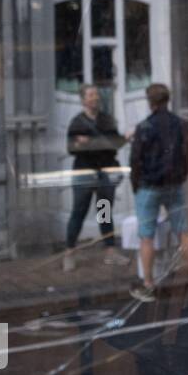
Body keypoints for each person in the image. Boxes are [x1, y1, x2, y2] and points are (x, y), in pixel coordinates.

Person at [130, 83, 188, 300]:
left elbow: (136, 160)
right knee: (184, 232)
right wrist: (184, 174)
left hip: (150, 186)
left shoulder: (144, 127)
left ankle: (148, 283)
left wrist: (136, 184)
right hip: (174, 185)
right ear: (167, 100)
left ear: (150, 102)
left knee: (146, 237)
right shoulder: (180, 124)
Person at [65, 84, 128, 271]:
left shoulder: (107, 120)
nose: (95, 98)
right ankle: (69, 253)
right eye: (91, 95)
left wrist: (92, 142)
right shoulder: (77, 123)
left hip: (105, 173)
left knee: (104, 212)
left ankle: (110, 251)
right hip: (84, 173)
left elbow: (116, 144)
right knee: (79, 211)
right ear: (83, 100)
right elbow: (70, 148)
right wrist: (88, 144)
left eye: (96, 95)